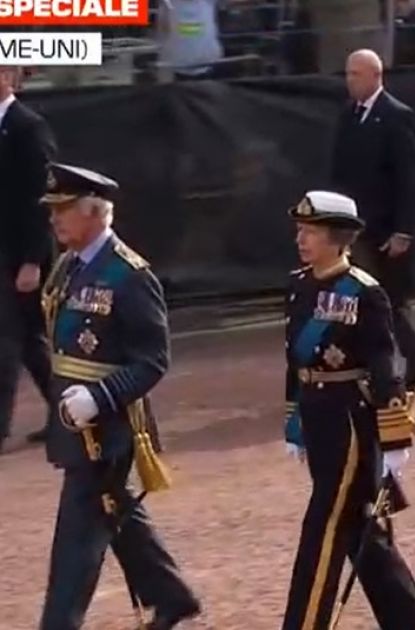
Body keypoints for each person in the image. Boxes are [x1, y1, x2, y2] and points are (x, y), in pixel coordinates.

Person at [38, 163, 200, 630]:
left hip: (107, 428)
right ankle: (172, 596)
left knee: (77, 539)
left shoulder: (129, 275)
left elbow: (153, 360)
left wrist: (99, 397)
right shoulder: (68, 266)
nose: (55, 218)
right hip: (74, 422)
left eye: (65, 209)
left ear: (94, 212)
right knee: (117, 510)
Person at [281, 190, 415, 630]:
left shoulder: (365, 292)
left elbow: (386, 365)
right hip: (317, 415)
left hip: (349, 422)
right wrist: (294, 420)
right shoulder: (299, 285)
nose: (301, 240)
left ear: (337, 237)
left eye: (310, 232)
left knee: (324, 527)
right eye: (300, 231)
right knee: (360, 529)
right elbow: (296, 360)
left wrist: (395, 438)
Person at [331, 49, 415, 394]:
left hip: (385, 228)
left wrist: (403, 230)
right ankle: (382, 365)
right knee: (365, 298)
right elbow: (340, 171)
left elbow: (409, 179)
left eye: (356, 74)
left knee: (387, 300)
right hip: (356, 226)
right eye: (348, 74)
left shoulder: (396, 116)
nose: (350, 81)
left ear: (375, 76)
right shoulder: (349, 115)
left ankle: (414, 361)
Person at [0, 64, 57, 450]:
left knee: (6, 339)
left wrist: (33, 260)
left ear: (6, 78)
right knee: (30, 339)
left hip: (21, 253)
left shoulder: (28, 127)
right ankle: (66, 412)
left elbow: (43, 197)